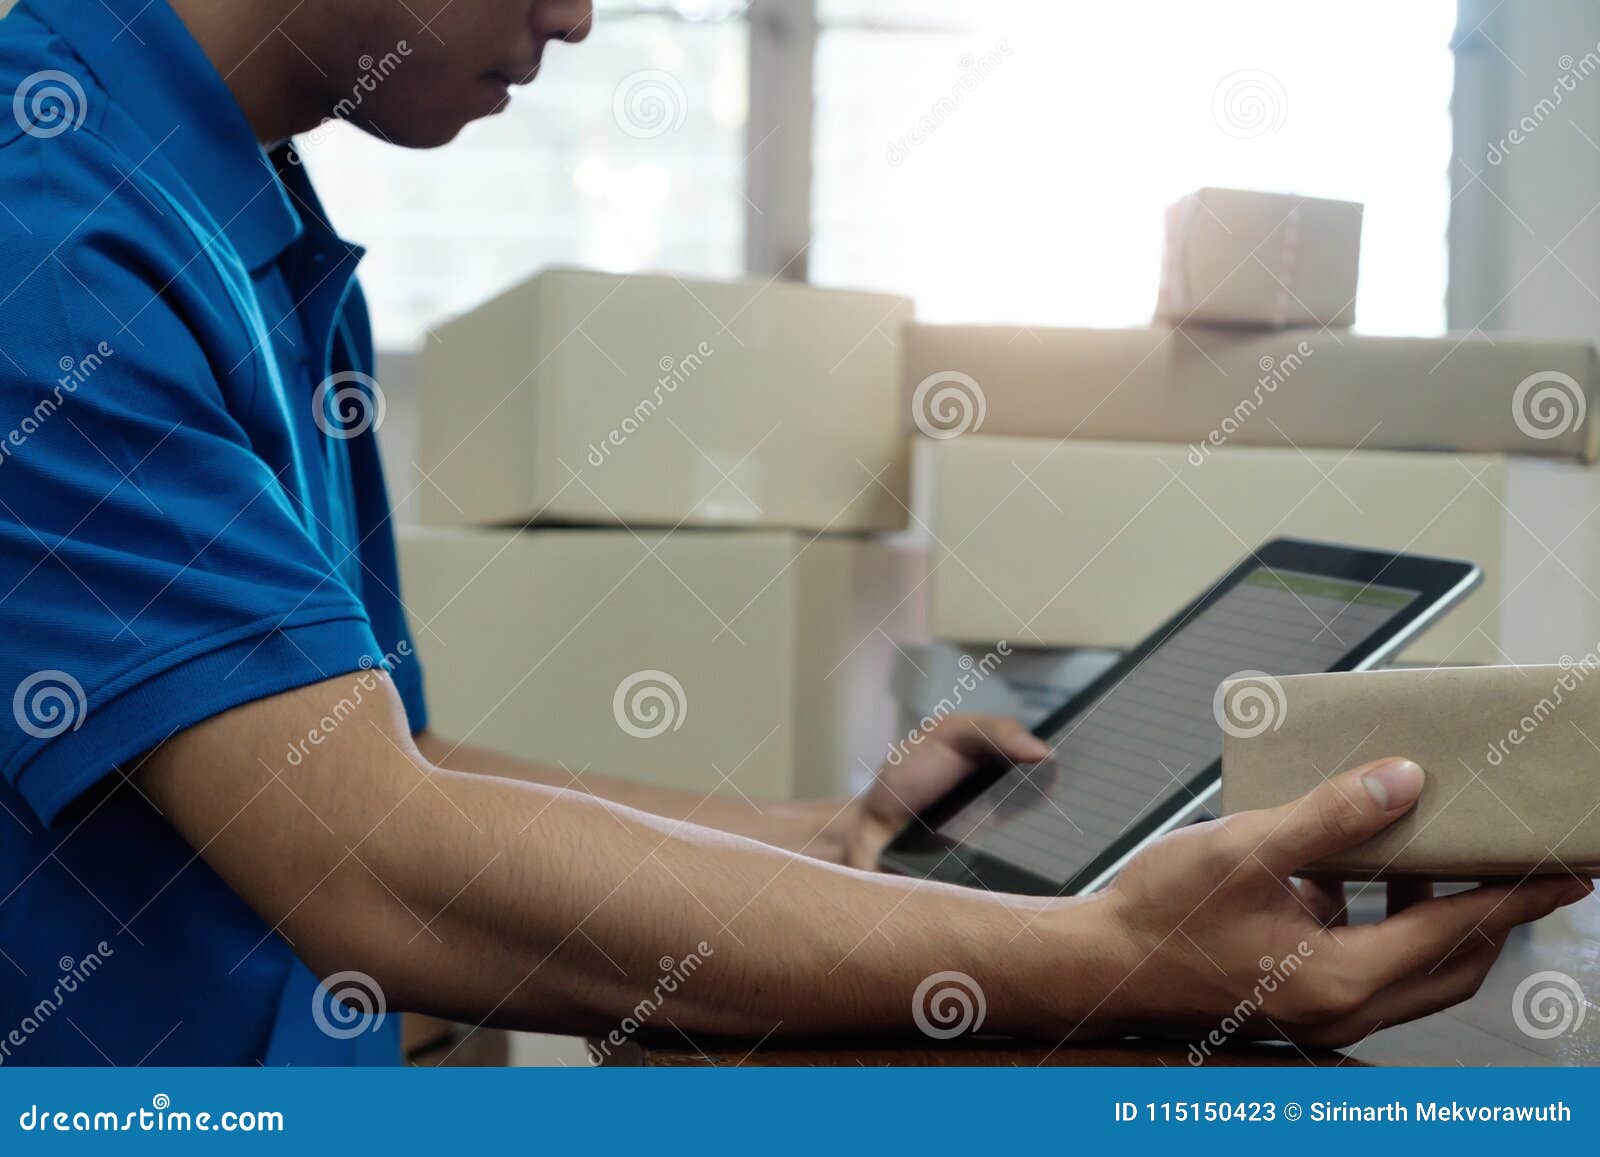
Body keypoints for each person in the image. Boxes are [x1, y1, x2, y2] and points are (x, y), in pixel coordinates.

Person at [0, 0, 1586, 1067]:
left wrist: (820, 834)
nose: (578, 18)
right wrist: (1120, 953)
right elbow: (376, 866)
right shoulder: (52, 247)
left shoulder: (249, 223)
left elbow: (365, 759)